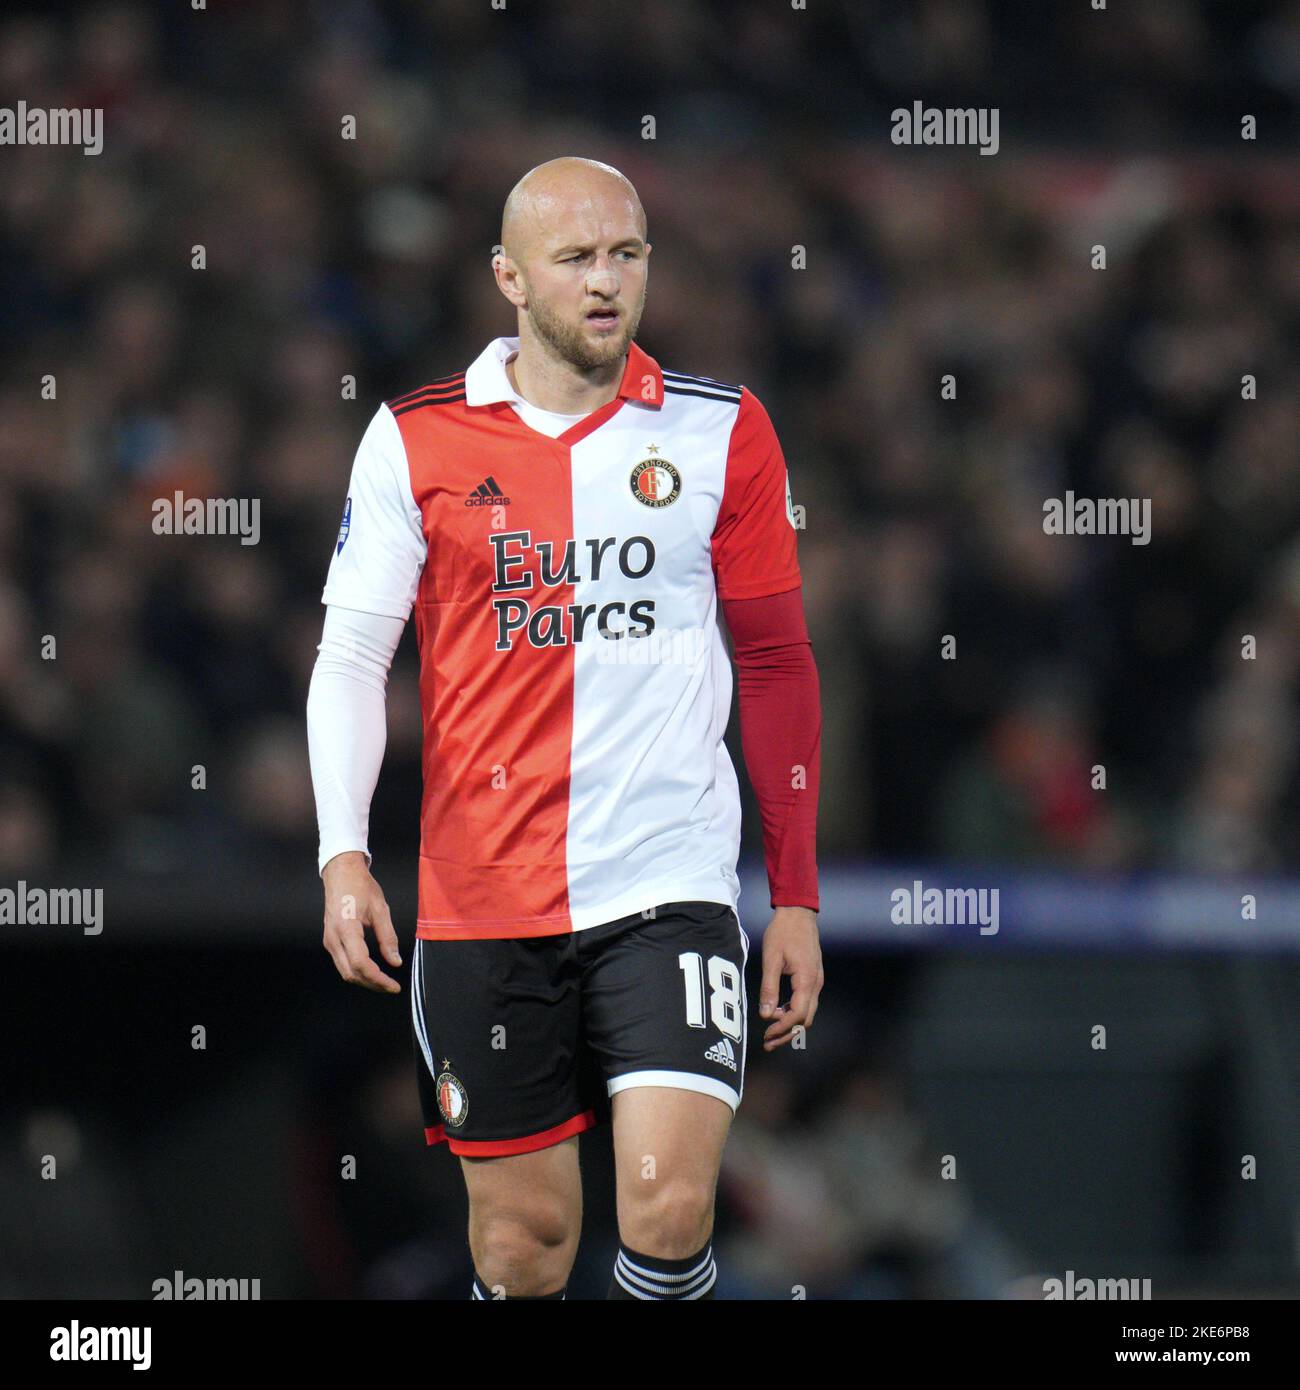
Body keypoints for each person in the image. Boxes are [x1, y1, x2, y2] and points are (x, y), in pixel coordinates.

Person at [306, 156, 823, 1300]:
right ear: (509, 277)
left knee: (669, 1201)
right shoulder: (414, 440)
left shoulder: (720, 432)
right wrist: (343, 854)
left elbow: (779, 662)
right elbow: (351, 657)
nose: (606, 282)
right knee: (524, 1243)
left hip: (669, 878)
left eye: (626, 255)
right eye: (576, 258)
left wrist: (793, 894)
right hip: (488, 889)